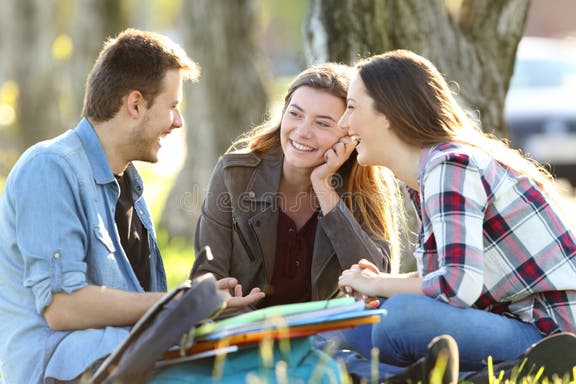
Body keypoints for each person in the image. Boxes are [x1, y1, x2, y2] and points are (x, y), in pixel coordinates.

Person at [0, 28, 263, 384]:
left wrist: (200, 308)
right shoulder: (50, 167)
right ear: (135, 104)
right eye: (173, 107)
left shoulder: (130, 186)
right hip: (65, 371)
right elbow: (63, 307)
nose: (178, 122)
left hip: (127, 360)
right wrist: (179, 303)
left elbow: (140, 310)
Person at [335, 49, 576, 382]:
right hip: (508, 325)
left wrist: (380, 283)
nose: (343, 123)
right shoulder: (428, 176)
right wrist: (376, 286)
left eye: (351, 107)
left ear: (387, 112)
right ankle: (423, 376)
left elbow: (456, 287)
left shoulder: (449, 166)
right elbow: (445, 280)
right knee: (342, 325)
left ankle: (493, 372)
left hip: (552, 336)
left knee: (399, 318)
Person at [190, 62, 404, 309]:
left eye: (322, 123)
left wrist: (323, 186)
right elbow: (207, 277)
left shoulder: (361, 187)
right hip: (243, 331)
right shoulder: (234, 174)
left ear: (349, 135)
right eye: (295, 114)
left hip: (324, 334)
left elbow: (378, 281)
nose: (302, 132)